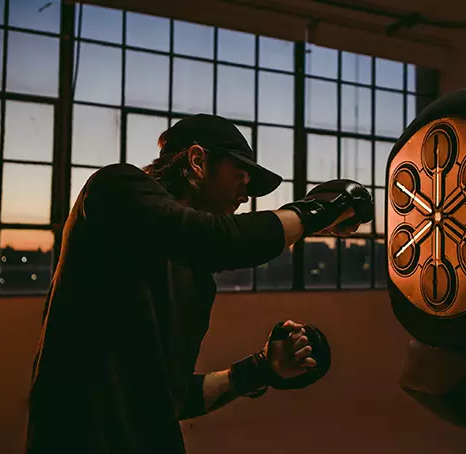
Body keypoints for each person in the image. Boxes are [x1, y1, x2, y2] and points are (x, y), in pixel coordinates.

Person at [25, 113, 373, 453]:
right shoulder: (114, 190)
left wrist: (261, 368)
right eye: (241, 175)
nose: (246, 193)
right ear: (196, 161)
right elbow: (216, 240)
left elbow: (170, 399)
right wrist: (316, 212)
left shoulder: (196, 281)